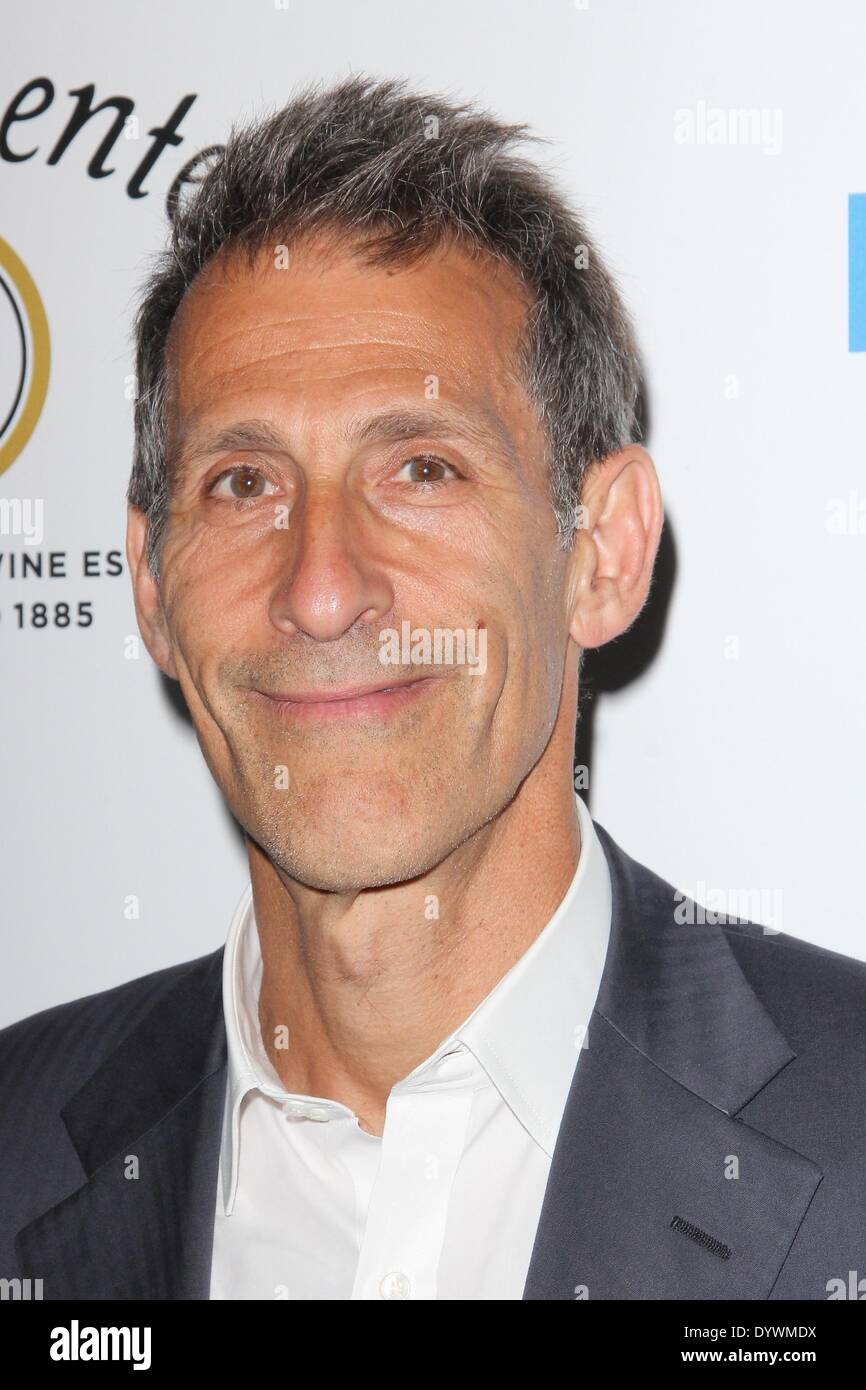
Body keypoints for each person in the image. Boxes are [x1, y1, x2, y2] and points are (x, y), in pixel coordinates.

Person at [2, 74, 864, 1302]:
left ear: (602, 552)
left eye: (420, 467)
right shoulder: (18, 1147)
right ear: (149, 585)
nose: (319, 588)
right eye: (243, 483)